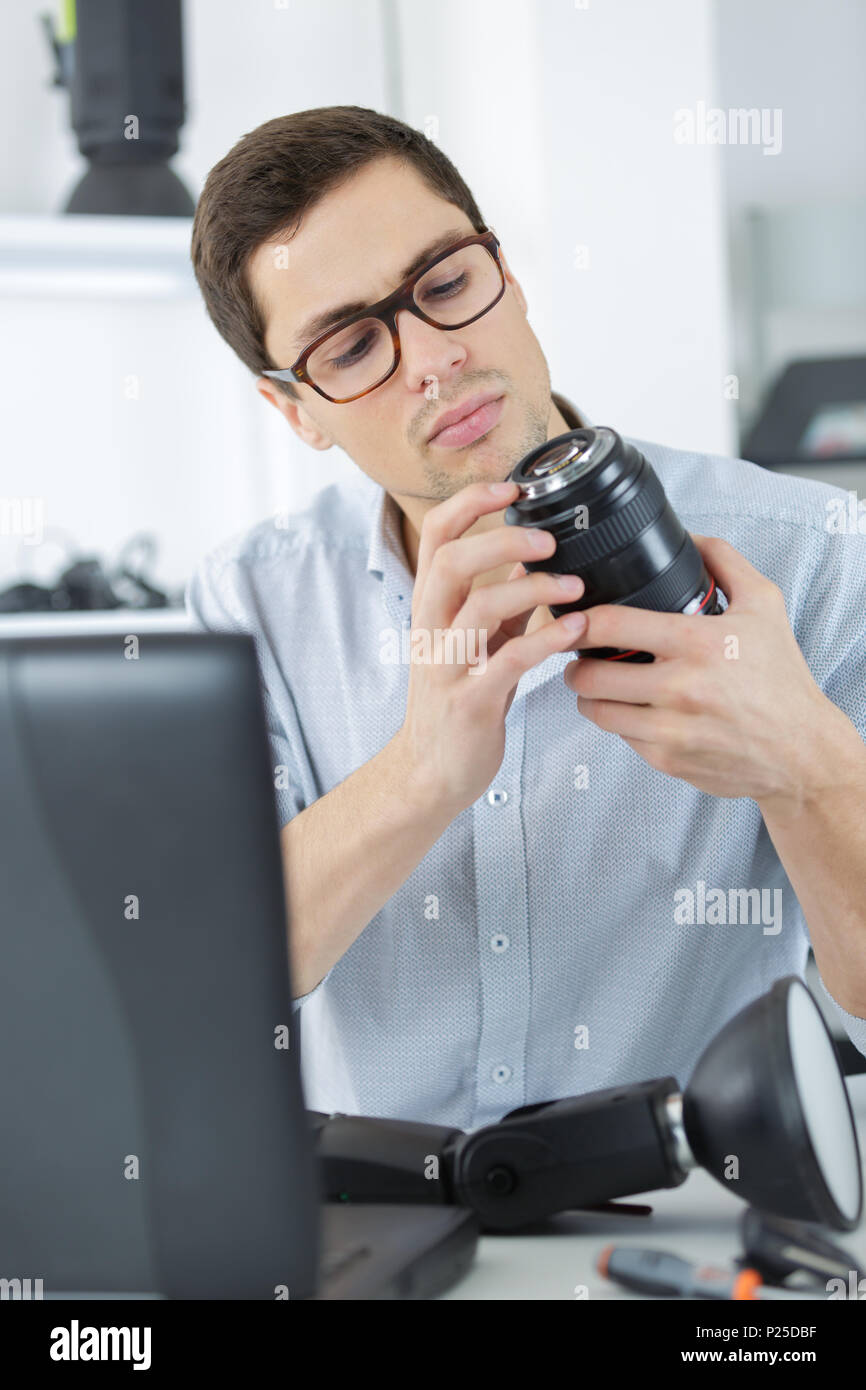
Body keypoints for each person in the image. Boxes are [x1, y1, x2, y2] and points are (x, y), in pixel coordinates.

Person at [187, 105, 866, 1130]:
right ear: (295, 412)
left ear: (507, 272)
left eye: (447, 284)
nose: (432, 358)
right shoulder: (252, 600)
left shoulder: (805, 552)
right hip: (387, 1239)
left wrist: (808, 766)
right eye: (350, 345)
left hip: (689, 1227)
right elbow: (205, 981)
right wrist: (419, 771)